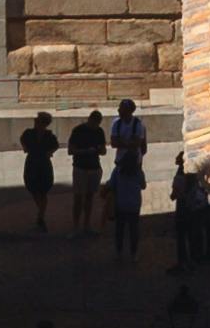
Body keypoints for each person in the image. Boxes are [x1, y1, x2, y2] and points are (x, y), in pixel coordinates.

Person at [106, 132, 146, 263]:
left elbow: (111, 185)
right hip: (134, 204)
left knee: (120, 230)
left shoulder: (118, 171)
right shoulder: (138, 172)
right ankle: (134, 254)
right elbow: (143, 185)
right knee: (134, 230)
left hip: (120, 204)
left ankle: (119, 252)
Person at [67, 107, 107, 235]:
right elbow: (70, 150)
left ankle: (86, 225)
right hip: (80, 167)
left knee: (90, 197)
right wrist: (85, 151)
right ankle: (75, 226)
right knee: (78, 197)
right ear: (89, 119)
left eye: (97, 123)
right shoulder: (78, 131)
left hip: (94, 167)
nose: (95, 126)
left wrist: (98, 150)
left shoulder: (99, 131)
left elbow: (104, 150)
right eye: (94, 123)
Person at [18, 109, 59, 230]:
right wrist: (25, 147)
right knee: (33, 188)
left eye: (38, 120)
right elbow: (22, 139)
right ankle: (41, 214)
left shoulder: (49, 135)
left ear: (43, 123)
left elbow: (56, 145)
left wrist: (49, 153)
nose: (35, 122)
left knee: (43, 190)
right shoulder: (29, 133)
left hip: (44, 164)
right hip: (32, 163)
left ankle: (41, 216)